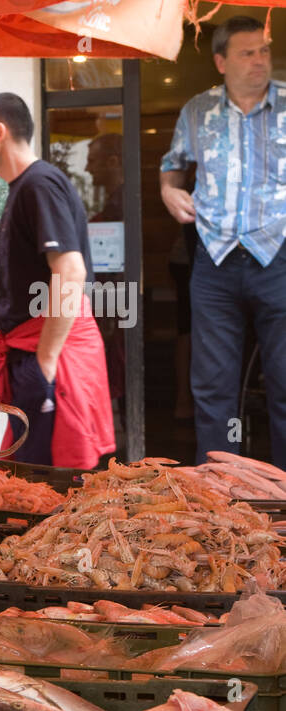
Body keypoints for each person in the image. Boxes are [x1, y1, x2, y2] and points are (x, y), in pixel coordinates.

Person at [159, 15, 286, 468]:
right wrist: (169, 190)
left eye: (264, 50)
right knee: (212, 386)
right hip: (214, 262)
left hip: (280, 259)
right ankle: (219, 490)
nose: (259, 60)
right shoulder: (197, 111)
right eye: (246, 52)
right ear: (220, 61)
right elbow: (172, 167)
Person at [0, 93, 114, 468]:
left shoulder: (38, 185)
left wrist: (45, 362)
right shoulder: (27, 185)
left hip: (48, 355)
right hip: (32, 350)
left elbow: (70, 270)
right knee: (29, 475)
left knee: (47, 480)